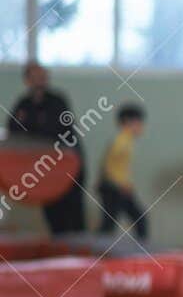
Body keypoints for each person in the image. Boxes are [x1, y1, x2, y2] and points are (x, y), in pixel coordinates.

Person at [7, 60, 85, 234]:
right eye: (35, 77)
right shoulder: (24, 103)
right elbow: (14, 128)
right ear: (27, 80)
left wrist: (33, 126)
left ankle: (78, 257)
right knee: (53, 216)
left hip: (68, 166)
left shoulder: (57, 100)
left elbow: (57, 128)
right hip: (45, 170)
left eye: (43, 76)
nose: (40, 80)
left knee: (74, 215)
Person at [98, 104, 150, 241]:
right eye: (139, 123)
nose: (141, 127)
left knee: (109, 223)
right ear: (128, 122)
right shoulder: (122, 141)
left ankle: (98, 249)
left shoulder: (125, 140)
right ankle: (142, 250)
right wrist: (122, 184)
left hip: (114, 186)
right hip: (115, 187)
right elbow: (108, 166)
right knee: (140, 219)